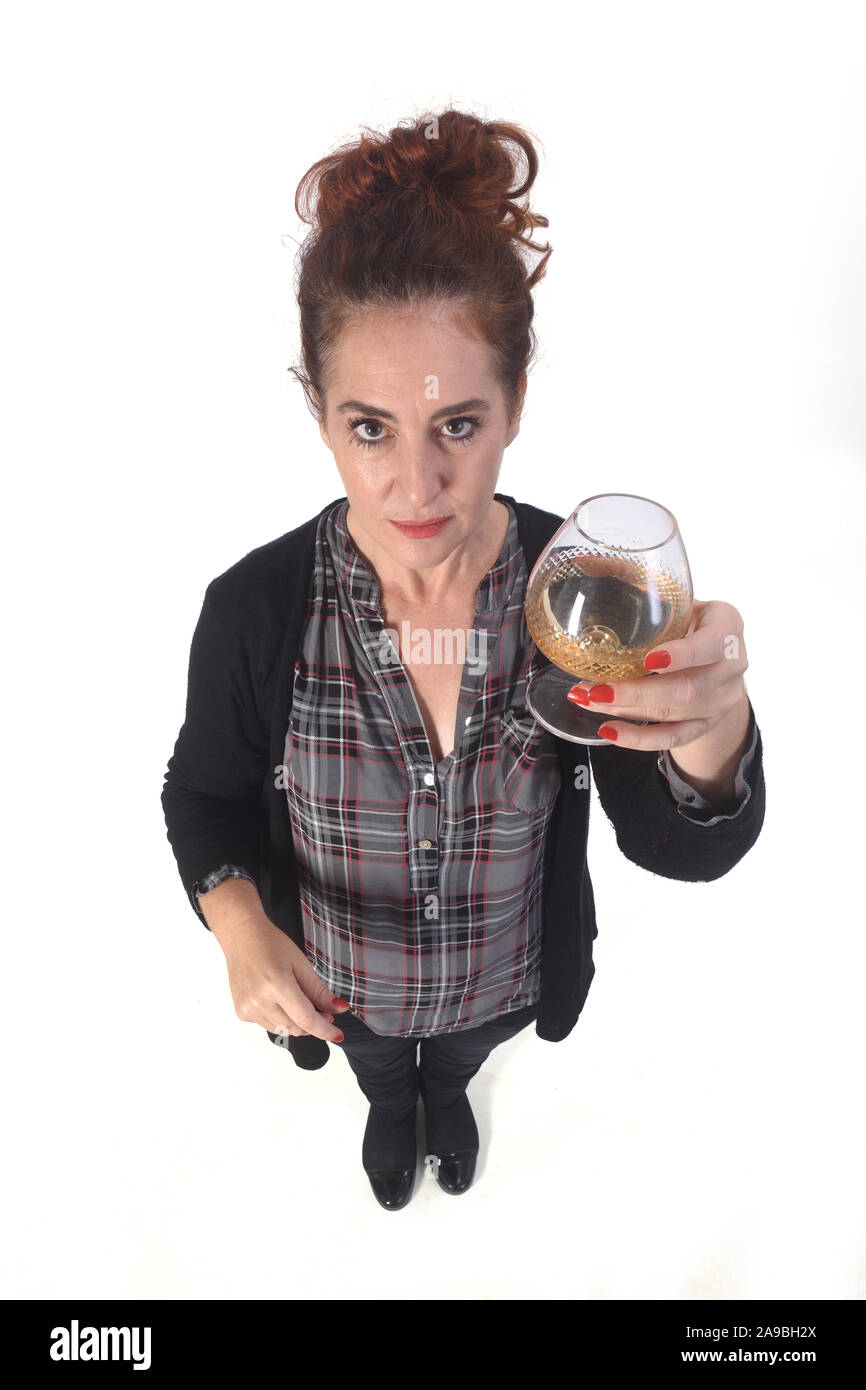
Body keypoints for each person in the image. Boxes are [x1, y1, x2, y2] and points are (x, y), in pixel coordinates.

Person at [161, 109, 765, 1212]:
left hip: (501, 983)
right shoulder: (253, 609)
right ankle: (394, 1108)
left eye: (458, 425)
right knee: (385, 1073)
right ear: (317, 413)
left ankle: (450, 1093)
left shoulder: (581, 596)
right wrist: (240, 927)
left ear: (515, 405)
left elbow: (680, 850)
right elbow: (200, 795)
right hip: (345, 996)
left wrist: (708, 730)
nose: (415, 488)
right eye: (371, 427)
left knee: (460, 1059)